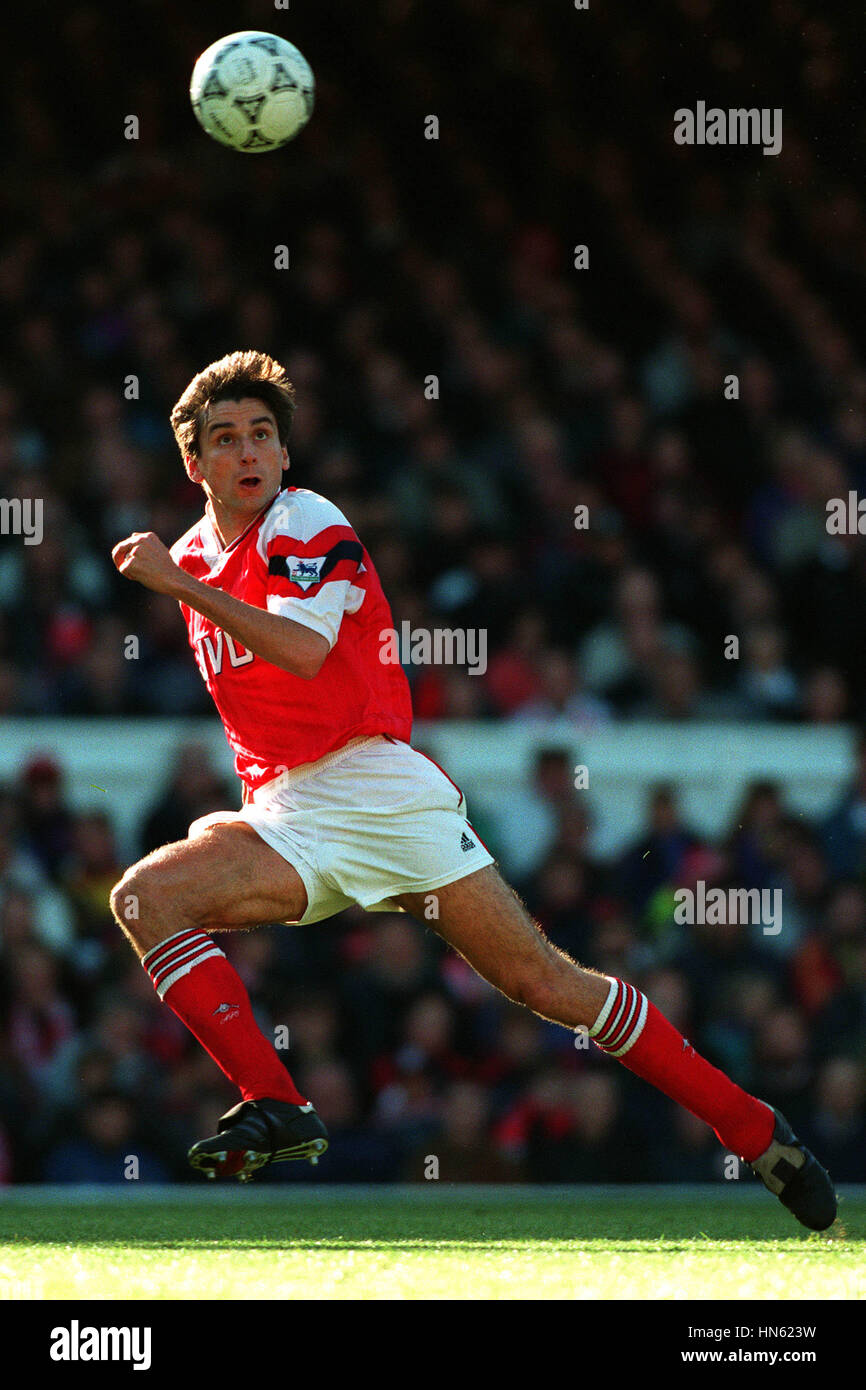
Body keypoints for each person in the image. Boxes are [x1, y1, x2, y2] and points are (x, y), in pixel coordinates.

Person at [109, 350, 835, 1229]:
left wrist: (176, 585)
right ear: (194, 465)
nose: (248, 451)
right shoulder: (188, 551)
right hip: (287, 809)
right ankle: (279, 1106)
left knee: (545, 983)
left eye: (262, 434)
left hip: (378, 788)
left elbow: (303, 655)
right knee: (146, 897)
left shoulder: (304, 520)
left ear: (286, 454)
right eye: (225, 440)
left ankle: (756, 1131)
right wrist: (182, 578)